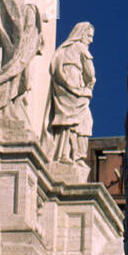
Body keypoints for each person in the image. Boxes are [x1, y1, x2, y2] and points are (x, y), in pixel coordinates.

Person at [43, 22, 96, 164]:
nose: (90, 40)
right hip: (74, 84)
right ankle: (74, 156)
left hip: (64, 85)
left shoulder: (64, 49)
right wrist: (90, 85)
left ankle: (64, 154)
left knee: (66, 121)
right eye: (89, 36)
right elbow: (90, 71)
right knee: (82, 120)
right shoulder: (79, 47)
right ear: (82, 34)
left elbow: (55, 67)